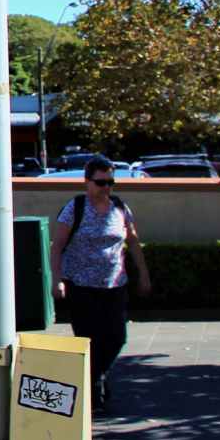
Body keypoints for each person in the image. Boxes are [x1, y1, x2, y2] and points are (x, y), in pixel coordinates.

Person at [49, 156, 151, 409]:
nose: (106, 188)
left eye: (110, 182)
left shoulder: (119, 207)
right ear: (87, 182)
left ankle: (94, 379)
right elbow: (58, 245)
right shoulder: (76, 208)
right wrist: (57, 280)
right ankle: (94, 391)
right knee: (91, 339)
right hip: (81, 285)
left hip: (115, 284)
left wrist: (144, 274)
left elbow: (134, 241)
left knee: (116, 337)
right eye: (100, 182)